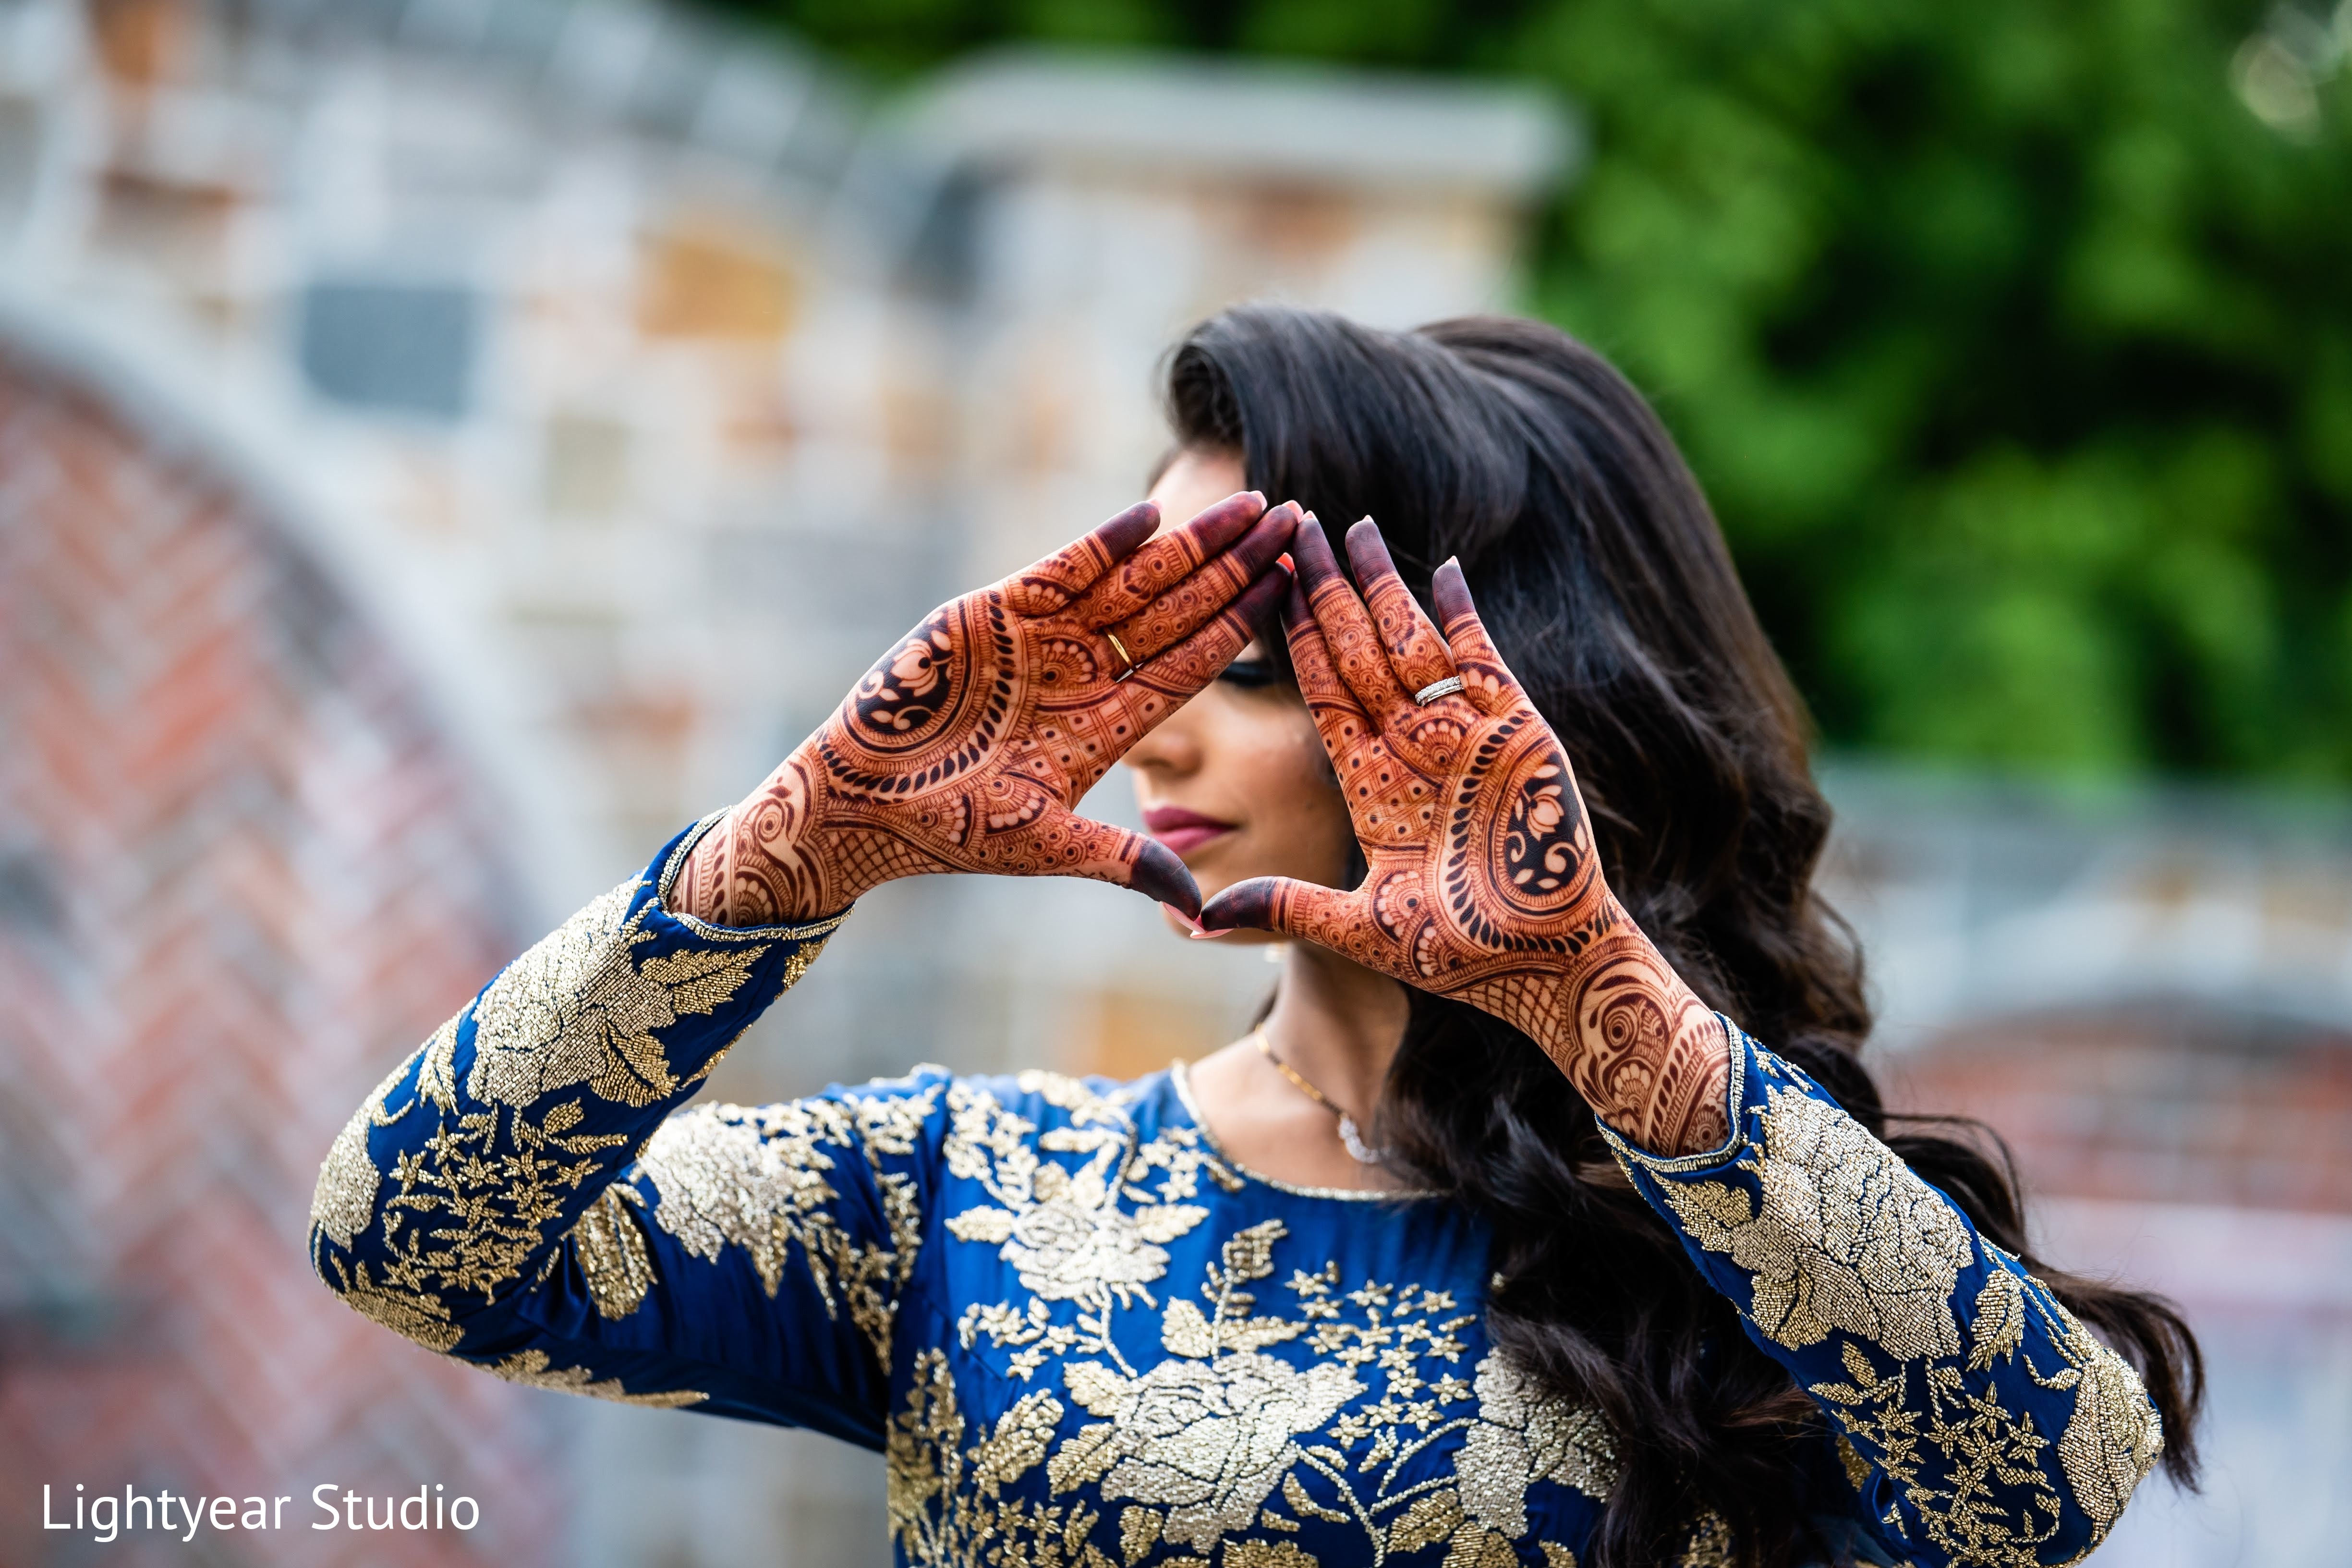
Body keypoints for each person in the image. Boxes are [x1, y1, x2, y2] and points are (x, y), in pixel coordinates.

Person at [311, 306, 2200, 1568]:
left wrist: (1596, 996)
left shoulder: (1736, 1227)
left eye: (1250, 661)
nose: (1149, 720)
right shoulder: (968, 1190)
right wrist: (795, 848)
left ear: (1505, 692)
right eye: (1137, 635)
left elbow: (2050, 1472)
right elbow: (409, 1231)